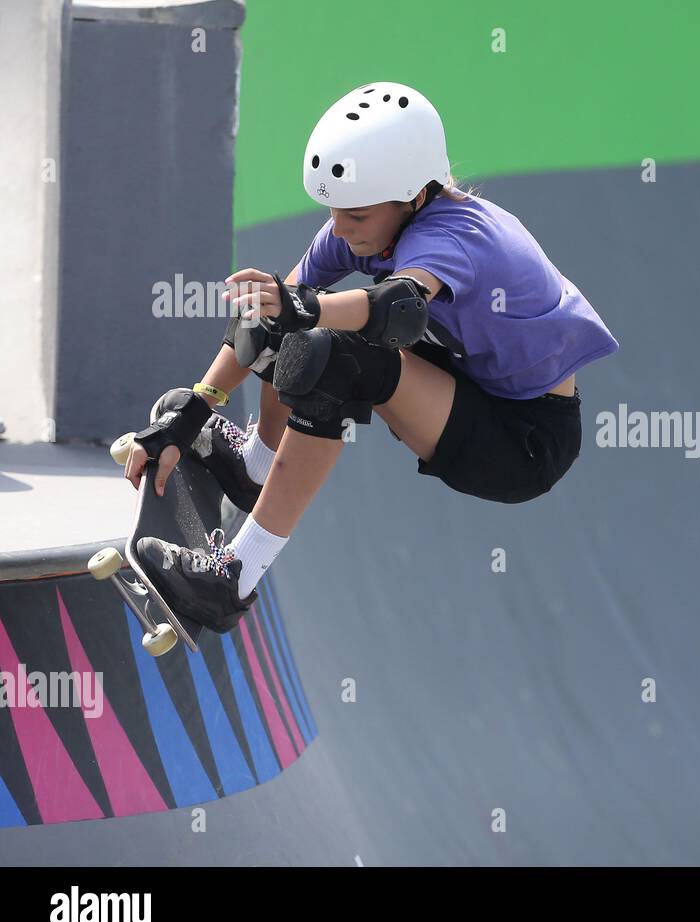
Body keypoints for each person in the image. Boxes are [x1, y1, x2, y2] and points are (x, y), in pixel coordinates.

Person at [123, 82, 619, 633]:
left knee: (334, 352)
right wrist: (195, 405)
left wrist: (303, 308)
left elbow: (398, 309)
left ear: (412, 195)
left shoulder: (455, 236)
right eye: (334, 211)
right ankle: (254, 467)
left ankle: (233, 577)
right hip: (471, 388)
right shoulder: (371, 219)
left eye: (355, 214)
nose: (339, 227)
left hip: (524, 440)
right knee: (290, 321)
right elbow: (266, 318)